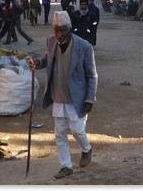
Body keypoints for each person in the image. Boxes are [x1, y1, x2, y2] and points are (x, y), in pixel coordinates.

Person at [27, 11, 98, 179]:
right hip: (58, 96)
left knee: (77, 130)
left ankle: (87, 149)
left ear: (70, 29)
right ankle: (66, 165)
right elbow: (47, 59)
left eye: (63, 30)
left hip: (77, 98)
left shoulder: (84, 47)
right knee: (59, 133)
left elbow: (91, 75)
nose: (59, 34)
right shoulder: (51, 42)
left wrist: (90, 98)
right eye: (56, 30)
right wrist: (37, 63)